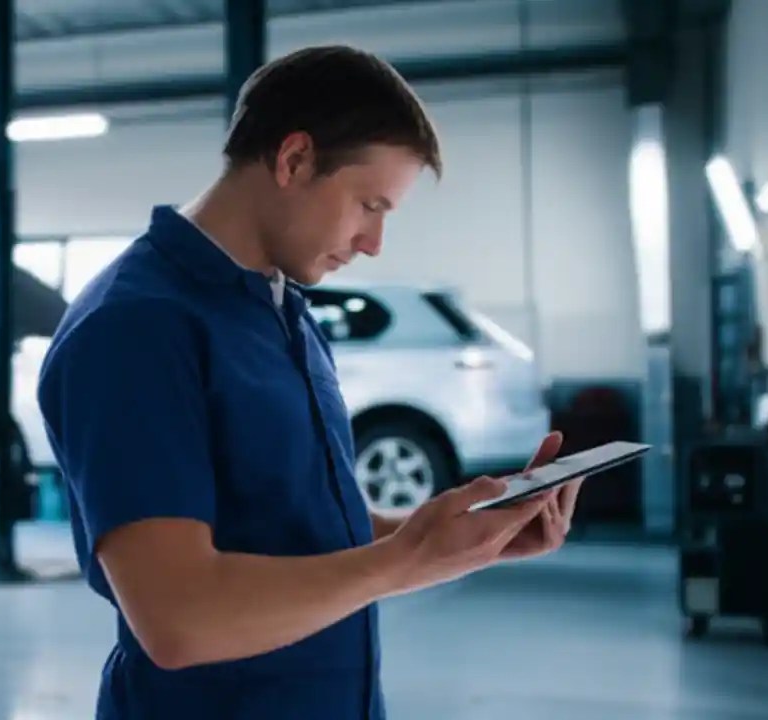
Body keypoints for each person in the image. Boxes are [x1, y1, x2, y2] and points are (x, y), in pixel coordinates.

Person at [37, 45, 582, 720]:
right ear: (294, 159)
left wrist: (460, 539)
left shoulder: (280, 309)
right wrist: (406, 562)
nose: (374, 241)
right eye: (367, 204)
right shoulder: (137, 326)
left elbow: (304, 530)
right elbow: (178, 618)